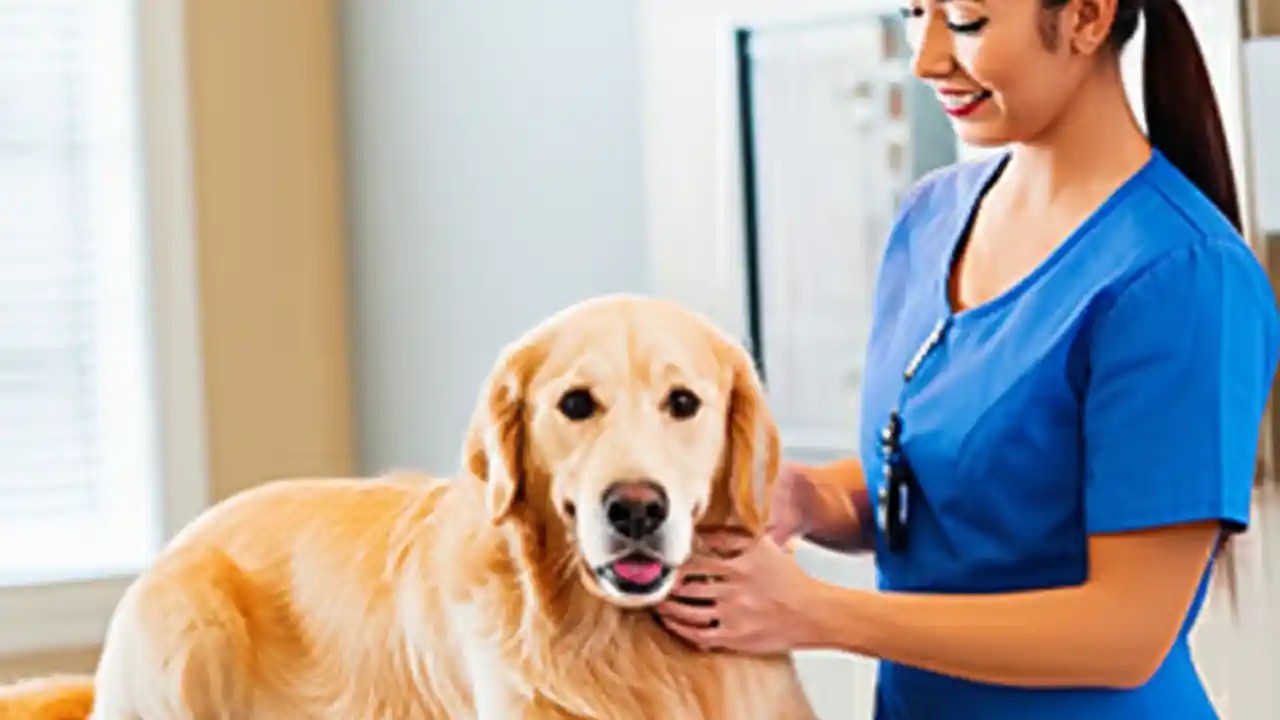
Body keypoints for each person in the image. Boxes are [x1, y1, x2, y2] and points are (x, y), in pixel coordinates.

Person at [655, 0, 1280, 717]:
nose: (925, 58)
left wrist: (817, 612)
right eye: (912, 13)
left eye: (966, 21)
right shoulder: (931, 218)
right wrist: (809, 498)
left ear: (1086, 17)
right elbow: (959, 479)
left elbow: (1127, 631)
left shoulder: (1182, 275)